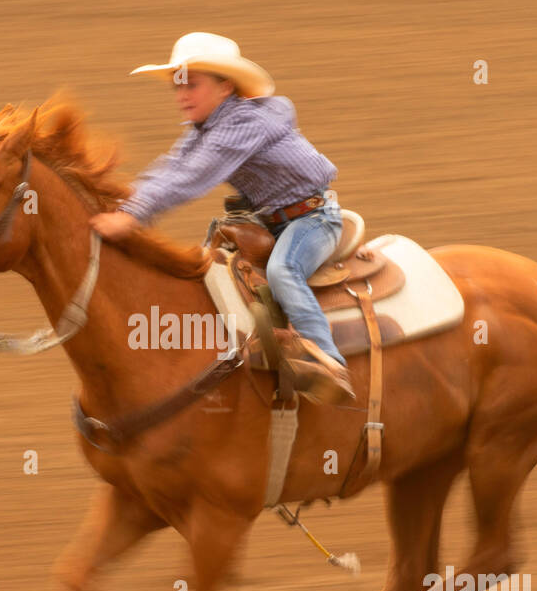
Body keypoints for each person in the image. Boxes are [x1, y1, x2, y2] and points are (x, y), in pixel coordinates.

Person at [89, 32, 355, 404]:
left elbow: (191, 177)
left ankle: (328, 361)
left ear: (225, 86)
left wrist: (132, 216)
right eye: (177, 86)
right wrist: (122, 205)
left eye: (191, 84)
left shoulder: (243, 124)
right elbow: (171, 168)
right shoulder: (205, 129)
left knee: (283, 271)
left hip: (312, 219)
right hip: (270, 220)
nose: (182, 95)